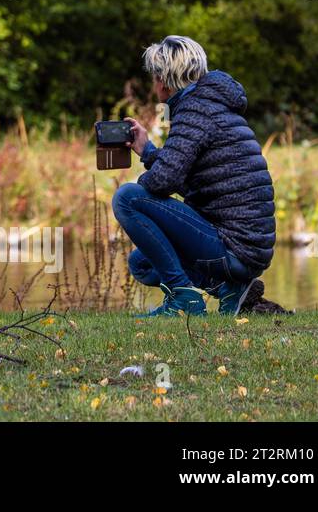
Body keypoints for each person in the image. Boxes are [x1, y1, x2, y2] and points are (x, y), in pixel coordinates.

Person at [115, 36, 276, 317]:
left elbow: (164, 182)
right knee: (143, 263)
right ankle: (228, 288)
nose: (154, 84)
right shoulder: (211, 105)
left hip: (234, 247)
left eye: (154, 77)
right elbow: (179, 172)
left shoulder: (194, 111)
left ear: (164, 80)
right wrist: (147, 151)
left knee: (127, 199)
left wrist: (145, 193)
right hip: (246, 248)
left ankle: (183, 300)